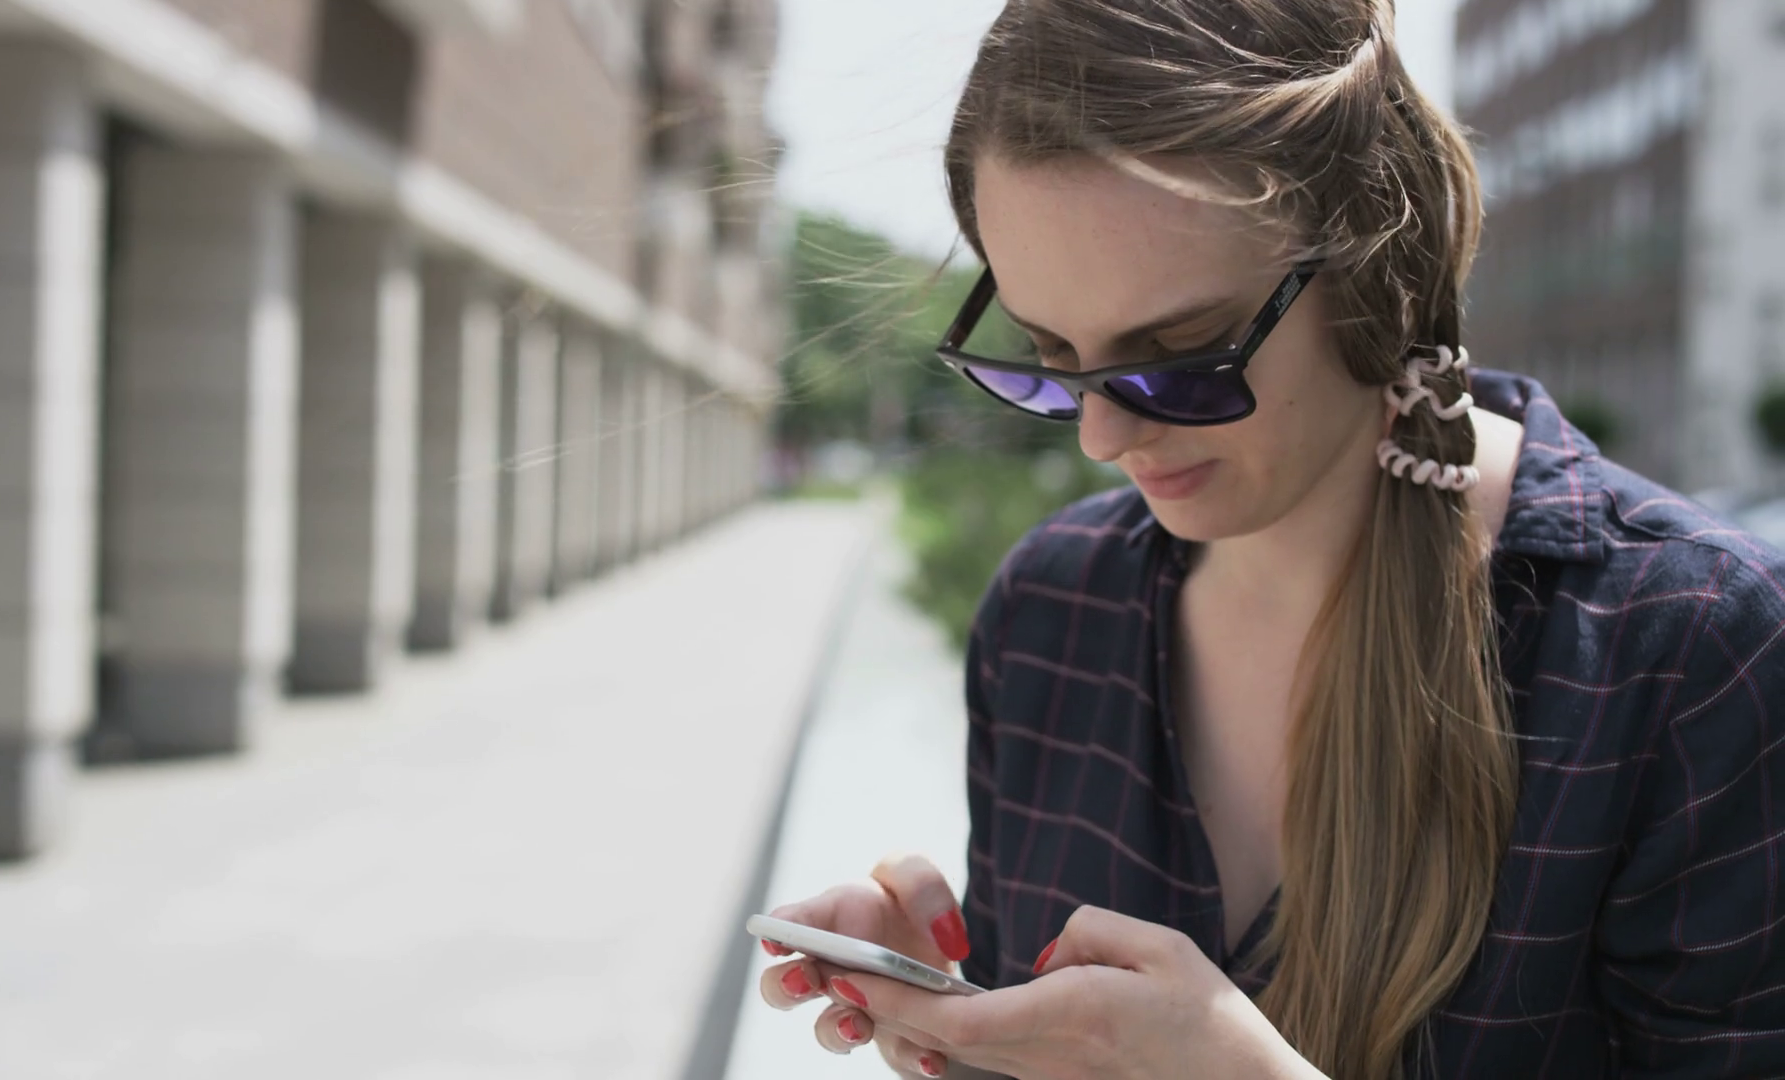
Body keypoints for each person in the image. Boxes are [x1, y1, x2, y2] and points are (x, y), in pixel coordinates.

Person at [755, 1, 1785, 1077]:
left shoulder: (1691, 651)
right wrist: (959, 1028)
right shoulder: (1051, 611)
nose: (1104, 436)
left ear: (1375, 266)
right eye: (1050, 352)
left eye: (1181, 354)